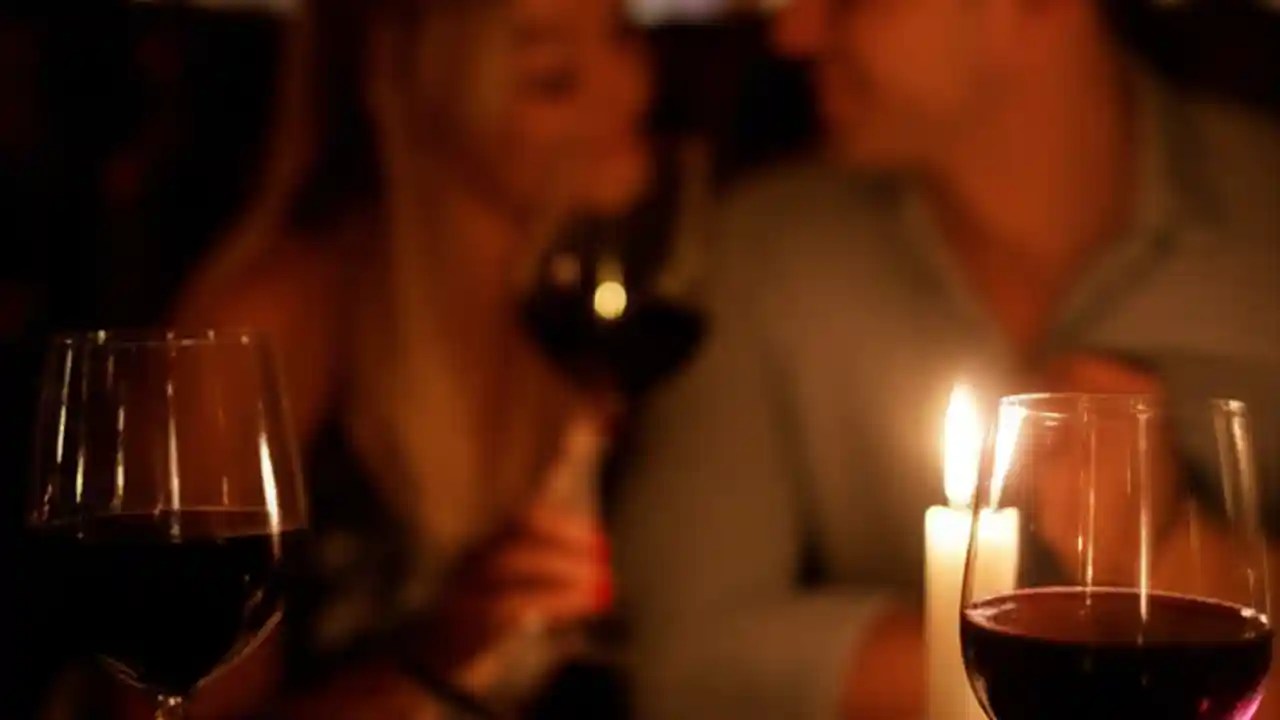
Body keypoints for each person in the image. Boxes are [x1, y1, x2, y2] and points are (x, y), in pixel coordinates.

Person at [617, 0, 1280, 717]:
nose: (792, 30)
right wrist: (1121, 658)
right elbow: (688, 659)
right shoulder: (762, 252)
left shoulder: (1266, 212)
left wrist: (1172, 551)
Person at [170, 0, 651, 717]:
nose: (625, 87)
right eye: (551, 76)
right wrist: (443, 651)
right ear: (424, 85)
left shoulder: (591, 309)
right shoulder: (268, 327)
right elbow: (172, 706)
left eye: (620, 34)